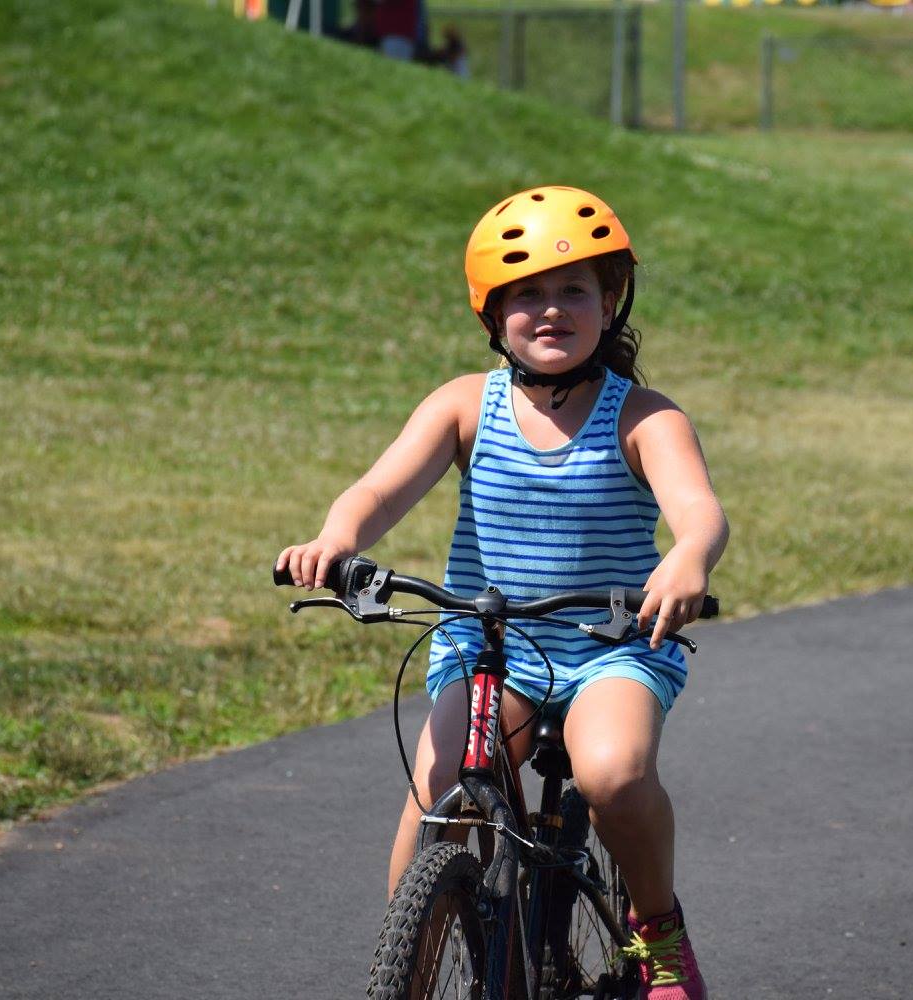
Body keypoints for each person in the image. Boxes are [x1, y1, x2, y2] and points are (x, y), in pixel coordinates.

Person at [276, 185, 729, 999]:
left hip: (608, 648)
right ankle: (410, 968)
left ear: (610, 303)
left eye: (573, 290)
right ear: (492, 315)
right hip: (491, 648)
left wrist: (690, 557)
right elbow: (378, 491)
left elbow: (698, 512)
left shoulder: (645, 418)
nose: (550, 310)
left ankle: (658, 934)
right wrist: (336, 539)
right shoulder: (464, 406)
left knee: (612, 774)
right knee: (439, 797)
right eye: (526, 294)